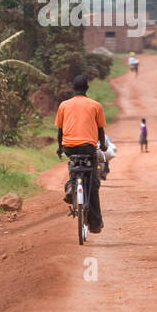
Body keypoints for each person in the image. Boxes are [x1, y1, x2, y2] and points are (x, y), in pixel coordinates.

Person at [55, 74, 108, 233]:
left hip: (70, 148)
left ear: (73, 88)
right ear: (87, 88)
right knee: (93, 183)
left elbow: (60, 131)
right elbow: (100, 130)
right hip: (88, 148)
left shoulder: (63, 105)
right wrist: (103, 145)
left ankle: (71, 186)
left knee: (74, 169)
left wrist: (60, 147)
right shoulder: (95, 105)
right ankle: (95, 223)